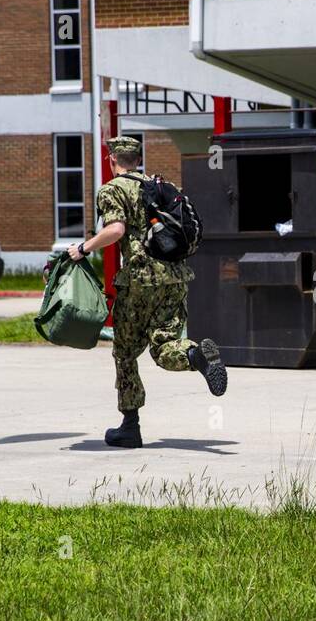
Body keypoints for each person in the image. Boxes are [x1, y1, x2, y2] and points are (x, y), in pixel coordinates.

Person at [67, 136, 226, 449]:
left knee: (125, 352)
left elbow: (115, 230)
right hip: (176, 276)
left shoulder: (113, 189)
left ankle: (130, 426)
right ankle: (195, 355)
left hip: (141, 280)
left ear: (112, 159)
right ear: (137, 159)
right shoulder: (161, 185)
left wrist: (83, 249)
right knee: (165, 343)